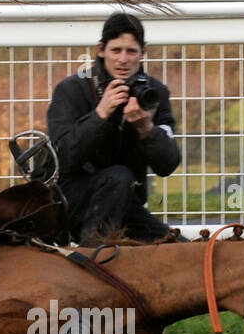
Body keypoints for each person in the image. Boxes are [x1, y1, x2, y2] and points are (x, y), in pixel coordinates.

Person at [46, 12, 181, 245]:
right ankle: (91, 255)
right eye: (116, 50)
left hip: (123, 202)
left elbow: (167, 165)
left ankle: (101, 252)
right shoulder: (72, 89)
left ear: (143, 53)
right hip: (70, 203)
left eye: (131, 52)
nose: (123, 60)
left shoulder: (154, 93)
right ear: (101, 50)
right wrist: (101, 114)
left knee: (175, 248)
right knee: (119, 176)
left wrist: (146, 127)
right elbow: (63, 158)